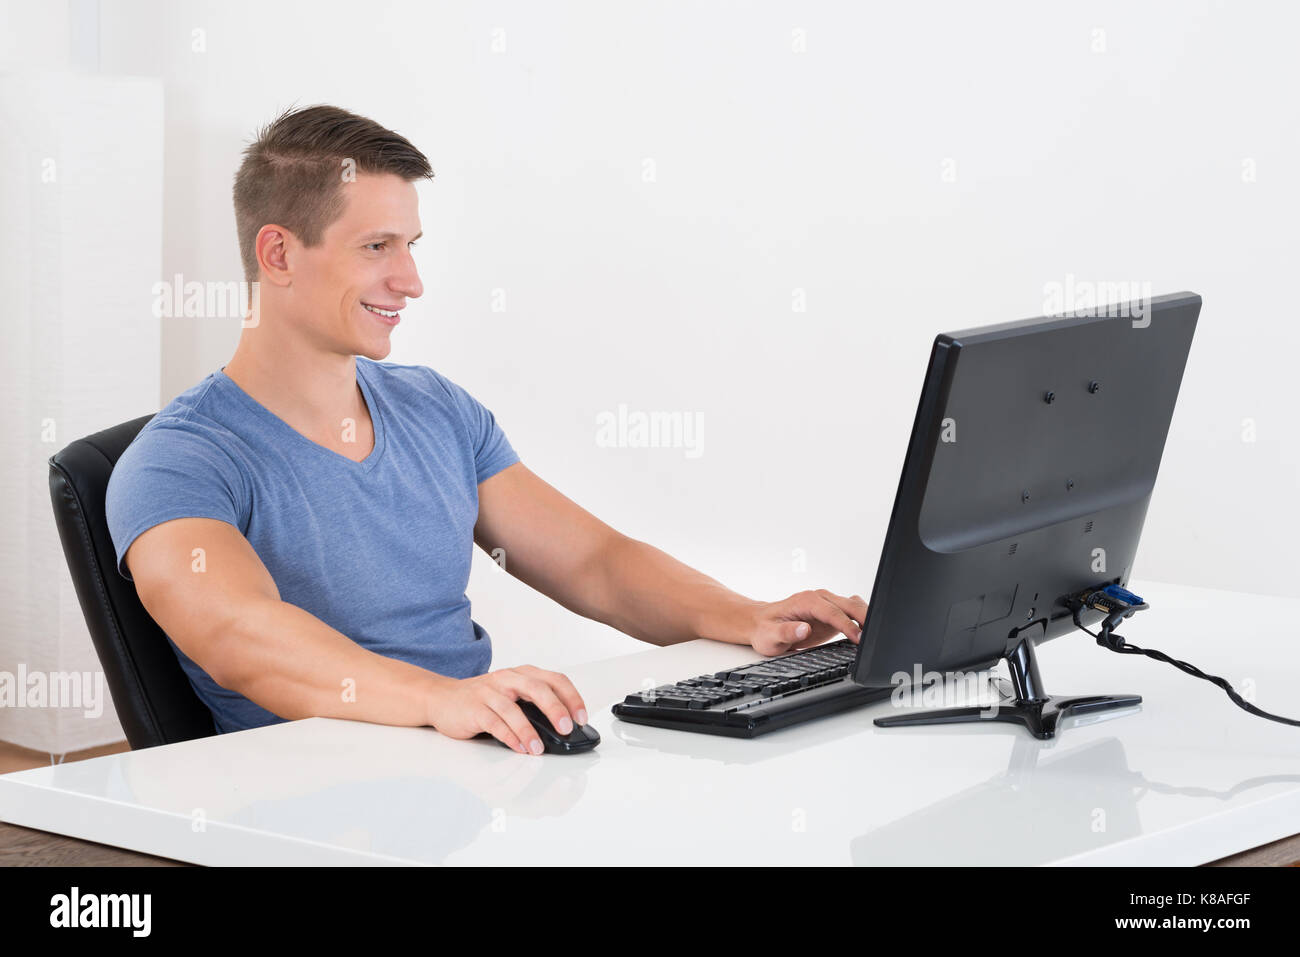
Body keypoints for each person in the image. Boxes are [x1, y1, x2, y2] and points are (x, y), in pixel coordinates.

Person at [106, 105, 866, 757]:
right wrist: (442, 698)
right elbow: (241, 635)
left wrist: (748, 616)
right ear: (278, 254)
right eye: (377, 247)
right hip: (320, 805)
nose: (410, 281)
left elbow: (594, 562)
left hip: (476, 768)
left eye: (411, 245)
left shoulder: (435, 408)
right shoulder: (178, 462)